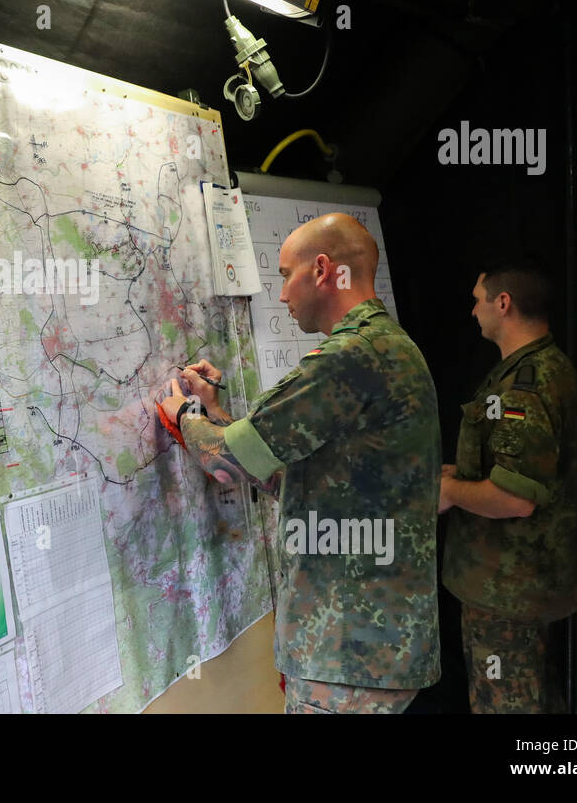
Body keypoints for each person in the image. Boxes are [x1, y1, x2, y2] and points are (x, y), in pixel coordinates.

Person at [160, 213, 442, 713]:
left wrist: (183, 414)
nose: (283, 294)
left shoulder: (348, 357)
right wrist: (216, 413)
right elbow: (296, 476)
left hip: (347, 654)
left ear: (323, 270)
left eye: (287, 275)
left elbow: (229, 463)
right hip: (375, 647)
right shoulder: (392, 347)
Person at [438, 259, 577, 713]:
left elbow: (516, 498)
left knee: (505, 706)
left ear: (503, 303)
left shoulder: (526, 386)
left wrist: (448, 493)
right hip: (521, 587)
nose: (473, 312)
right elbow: (516, 468)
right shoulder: (539, 367)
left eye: (477, 300)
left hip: (508, 593)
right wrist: (459, 474)